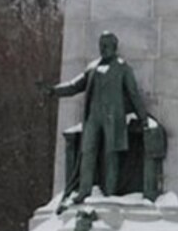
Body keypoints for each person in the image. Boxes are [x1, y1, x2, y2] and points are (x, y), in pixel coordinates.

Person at [47, 31, 148, 201]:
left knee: (111, 155)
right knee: (87, 152)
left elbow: (133, 94)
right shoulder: (92, 68)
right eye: (101, 45)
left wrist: (143, 117)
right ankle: (84, 191)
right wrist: (54, 91)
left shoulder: (123, 68)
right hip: (93, 117)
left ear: (115, 47)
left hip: (113, 118)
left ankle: (110, 193)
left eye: (106, 45)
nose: (103, 49)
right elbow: (75, 86)